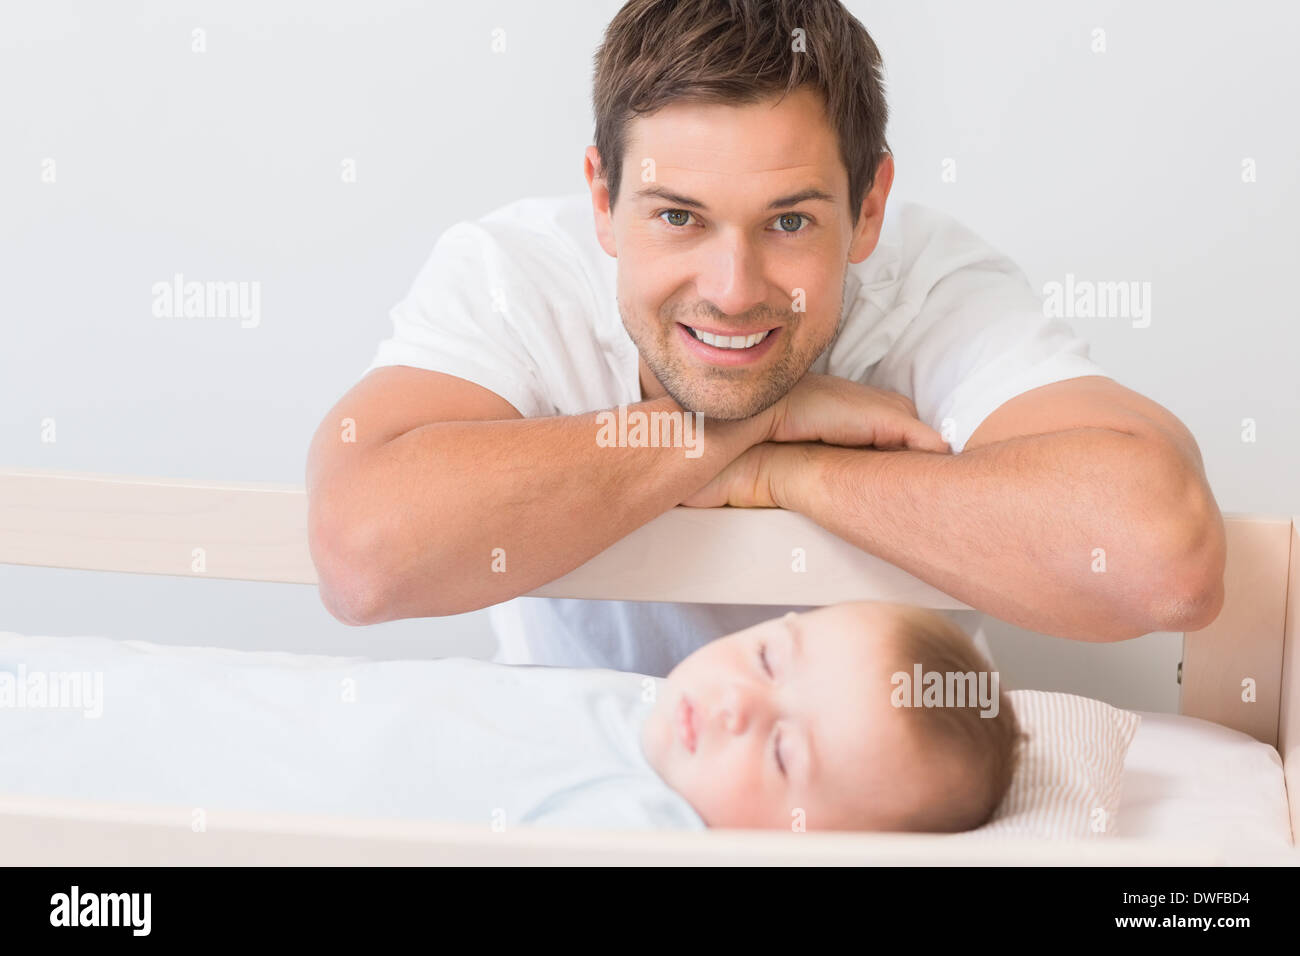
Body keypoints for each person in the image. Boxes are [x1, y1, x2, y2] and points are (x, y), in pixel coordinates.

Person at [305, 0, 1225, 677]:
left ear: (868, 210)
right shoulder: (514, 275)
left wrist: (790, 469)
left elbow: (1162, 561)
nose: (733, 292)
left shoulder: (933, 288)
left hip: (874, 791)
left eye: (789, 223)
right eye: (678, 217)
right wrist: (735, 429)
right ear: (602, 199)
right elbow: (362, 555)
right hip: (577, 782)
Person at [0, 602, 1021, 832]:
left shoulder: (652, 831)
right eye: (767, 653)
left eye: (789, 753)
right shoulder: (645, 711)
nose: (741, 700)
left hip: (173, 798)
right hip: (233, 716)